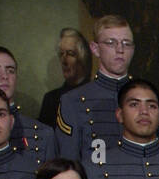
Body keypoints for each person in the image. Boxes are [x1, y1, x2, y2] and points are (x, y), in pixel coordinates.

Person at [57, 15, 154, 161]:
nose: (120, 49)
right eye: (111, 43)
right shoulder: (72, 101)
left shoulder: (153, 100)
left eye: (126, 43)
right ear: (95, 49)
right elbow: (68, 162)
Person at [39, 29, 92, 129]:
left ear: (83, 57)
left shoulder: (97, 95)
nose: (64, 61)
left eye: (70, 54)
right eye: (61, 54)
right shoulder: (51, 100)